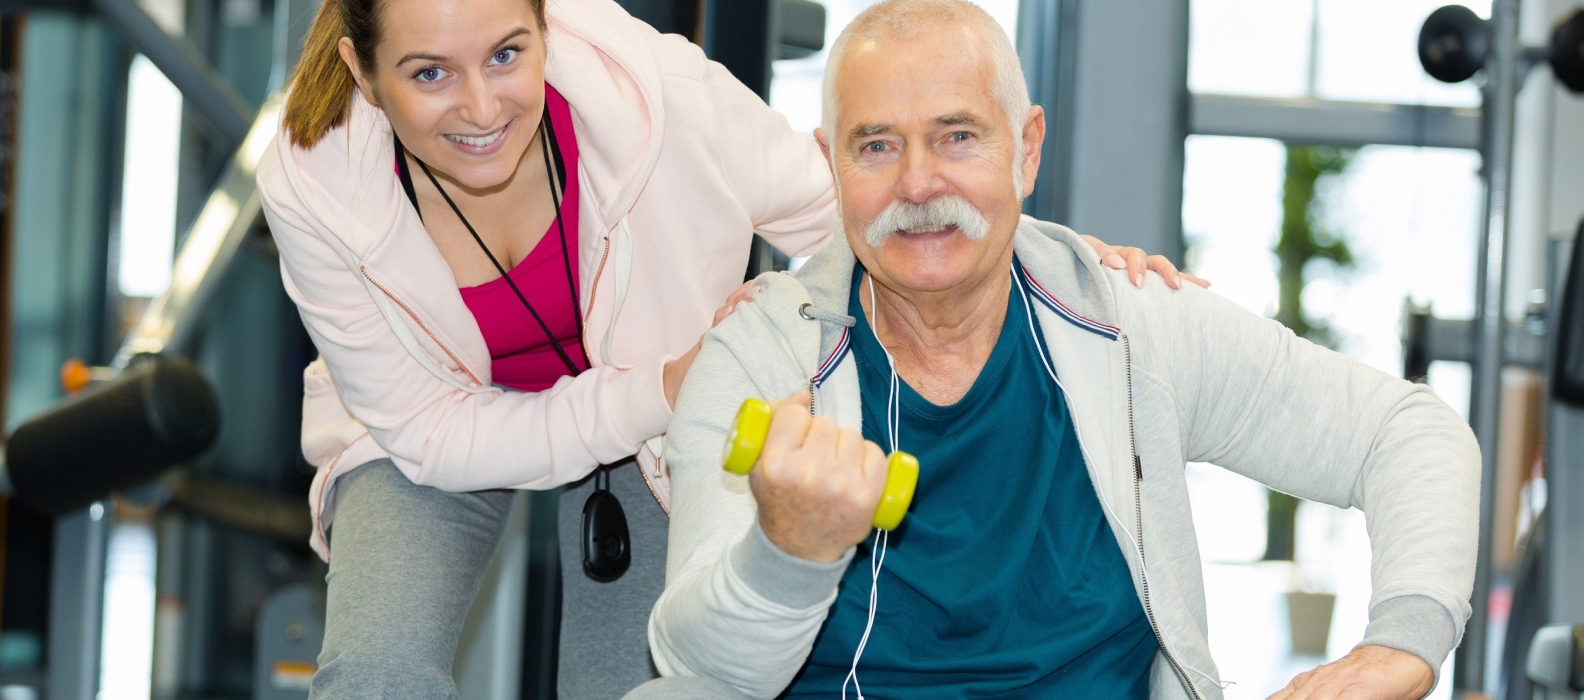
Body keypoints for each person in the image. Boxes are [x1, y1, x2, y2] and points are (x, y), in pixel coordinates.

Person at [256, 0, 1188, 695]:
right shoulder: (312, 182)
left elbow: (862, 214)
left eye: (508, 53)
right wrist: (661, 384)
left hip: (661, 429)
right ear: (361, 66)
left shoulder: (659, 97)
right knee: (373, 675)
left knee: (648, 683)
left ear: (546, 23)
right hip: (444, 426)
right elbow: (428, 431)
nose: (482, 105)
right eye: (428, 75)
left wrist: (1044, 258)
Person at [641, 2, 1481, 699]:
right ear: (833, 168)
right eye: (877, 145)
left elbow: (1406, 432)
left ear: (1027, 149)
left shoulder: (1137, 325)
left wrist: (1400, 644)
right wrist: (787, 550)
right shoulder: (759, 358)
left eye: (959, 136)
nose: (919, 183)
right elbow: (696, 670)